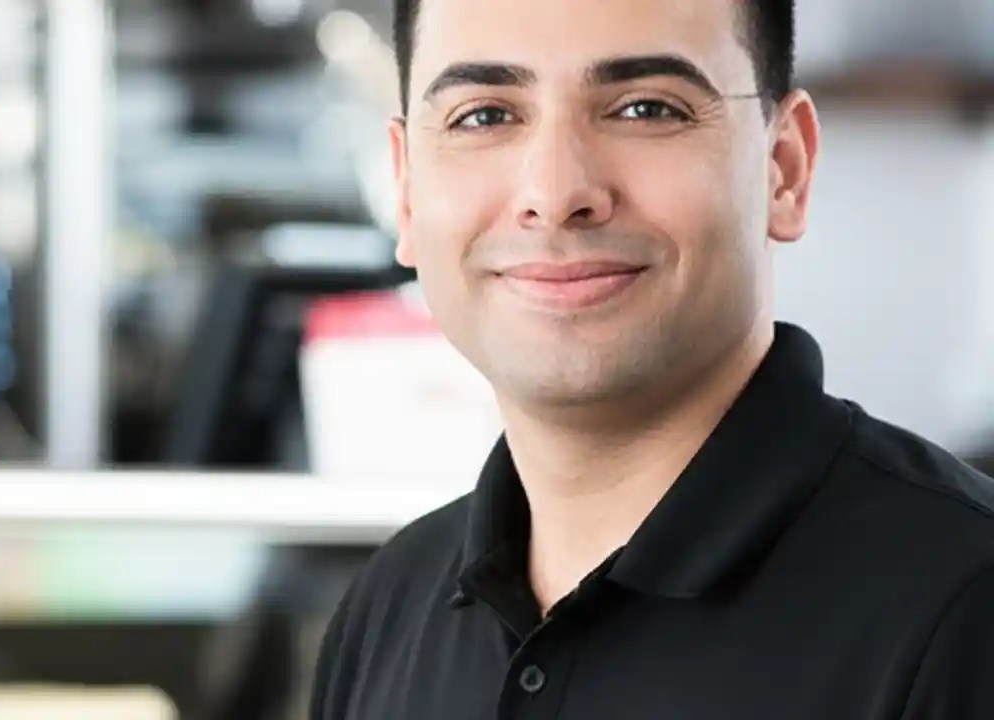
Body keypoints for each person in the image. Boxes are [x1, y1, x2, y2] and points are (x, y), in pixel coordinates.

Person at [309, 0, 994, 718]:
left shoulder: (963, 607)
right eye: (483, 116)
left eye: (644, 109)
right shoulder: (386, 611)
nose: (555, 192)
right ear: (406, 188)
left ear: (783, 169)